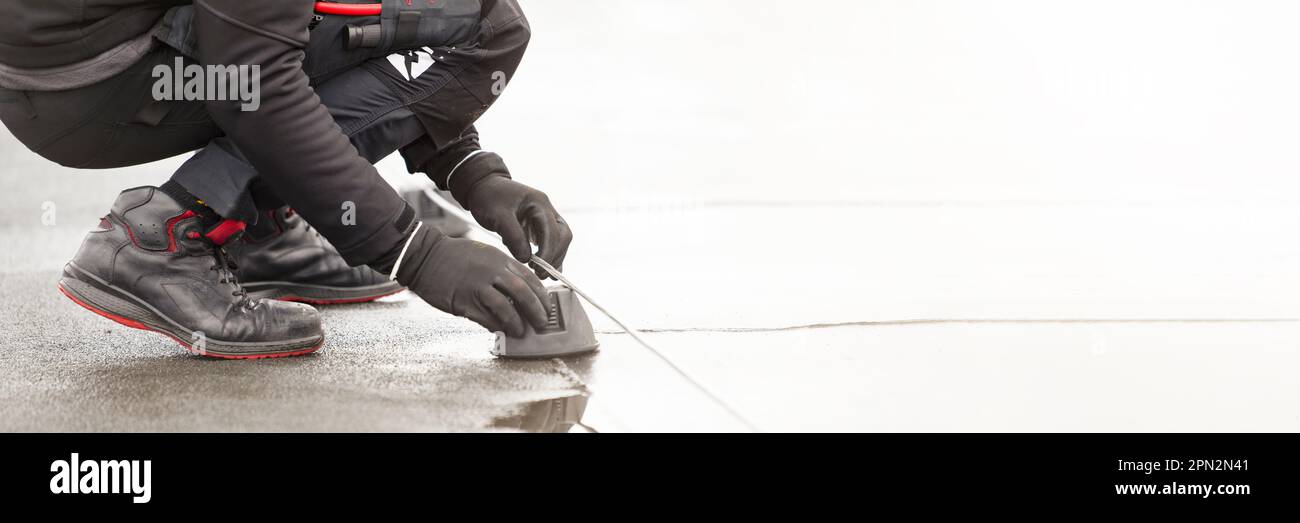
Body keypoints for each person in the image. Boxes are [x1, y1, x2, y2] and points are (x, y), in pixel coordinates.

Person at [0, 1, 573, 358]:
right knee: (488, 26)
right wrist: (415, 254)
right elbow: (257, 85)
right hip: (93, 79)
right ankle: (168, 233)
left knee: (450, 16)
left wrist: (468, 169)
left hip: (57, 63)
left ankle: (259, 224)